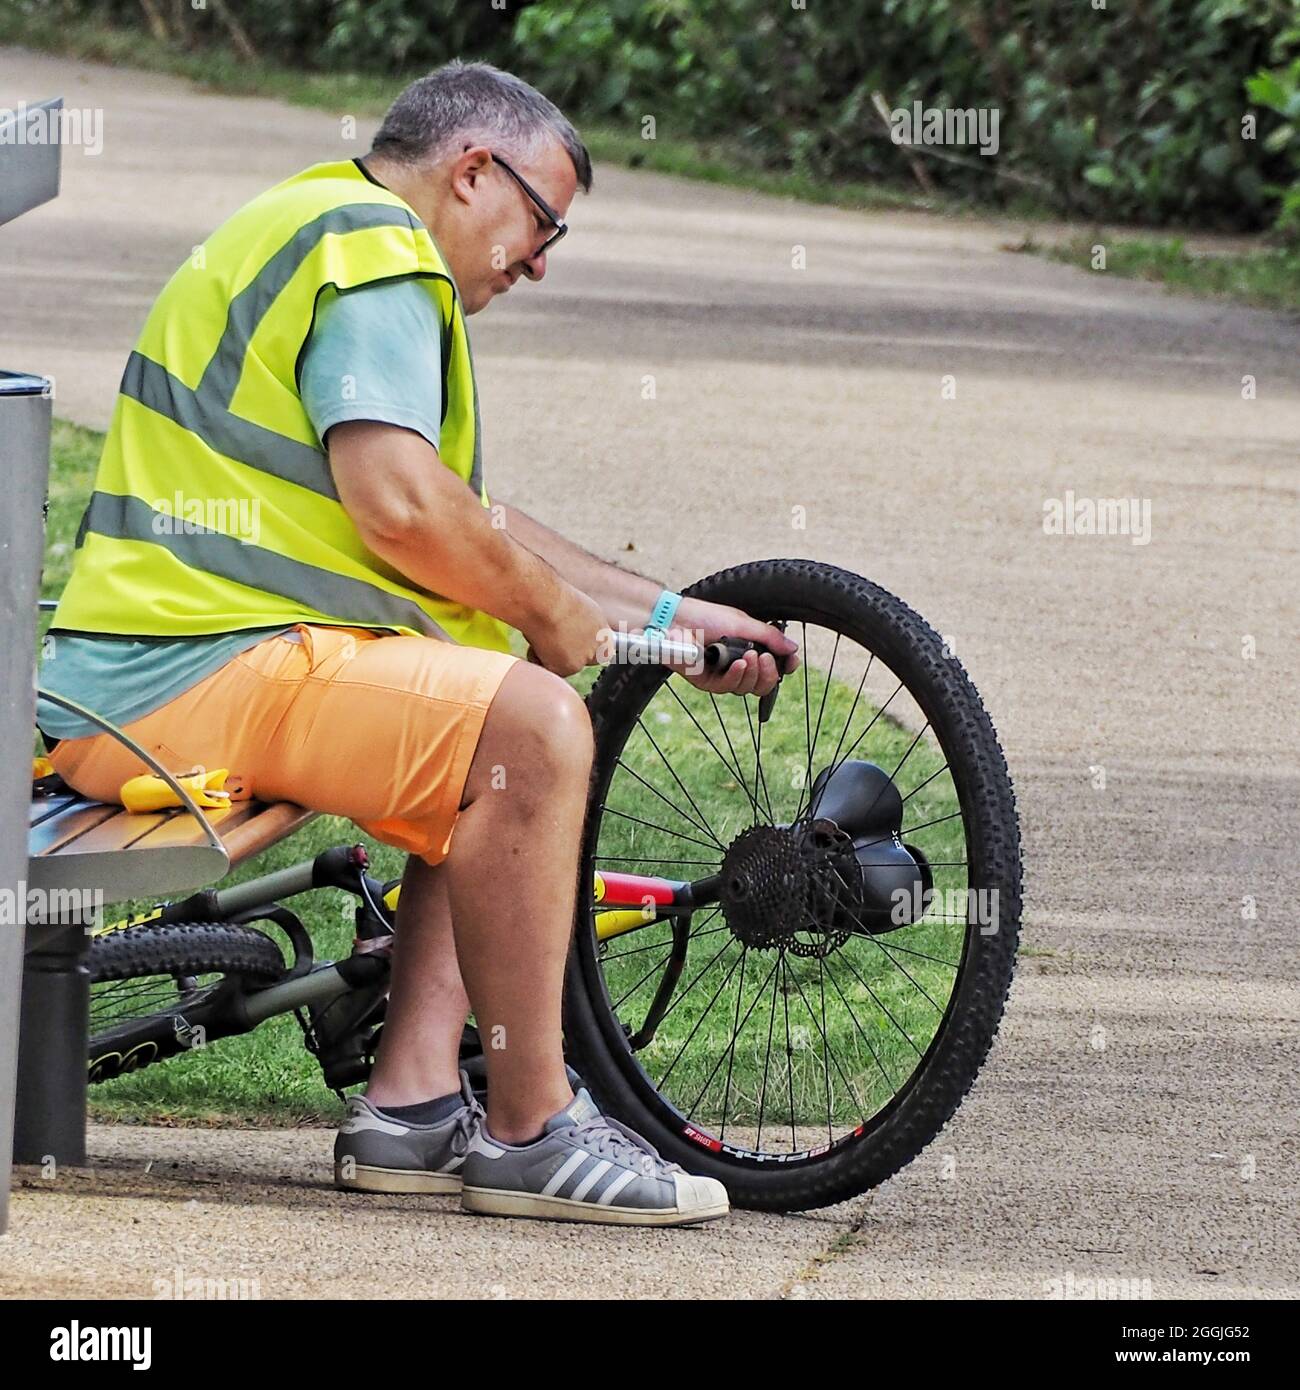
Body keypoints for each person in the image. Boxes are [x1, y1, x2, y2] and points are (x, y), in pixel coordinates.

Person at [37, 60, 798, 1226]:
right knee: (528, 721)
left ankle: (410, 1104)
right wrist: (550, 620)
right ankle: (535, 1127)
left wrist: (660, 615)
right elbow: (399, 504)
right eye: (541, 222)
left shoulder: (324, 225)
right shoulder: (374, 247)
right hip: (176, 682)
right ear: (472, 171)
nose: (539, 259)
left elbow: (469, 523)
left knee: (495, 683)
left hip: (172, 672)